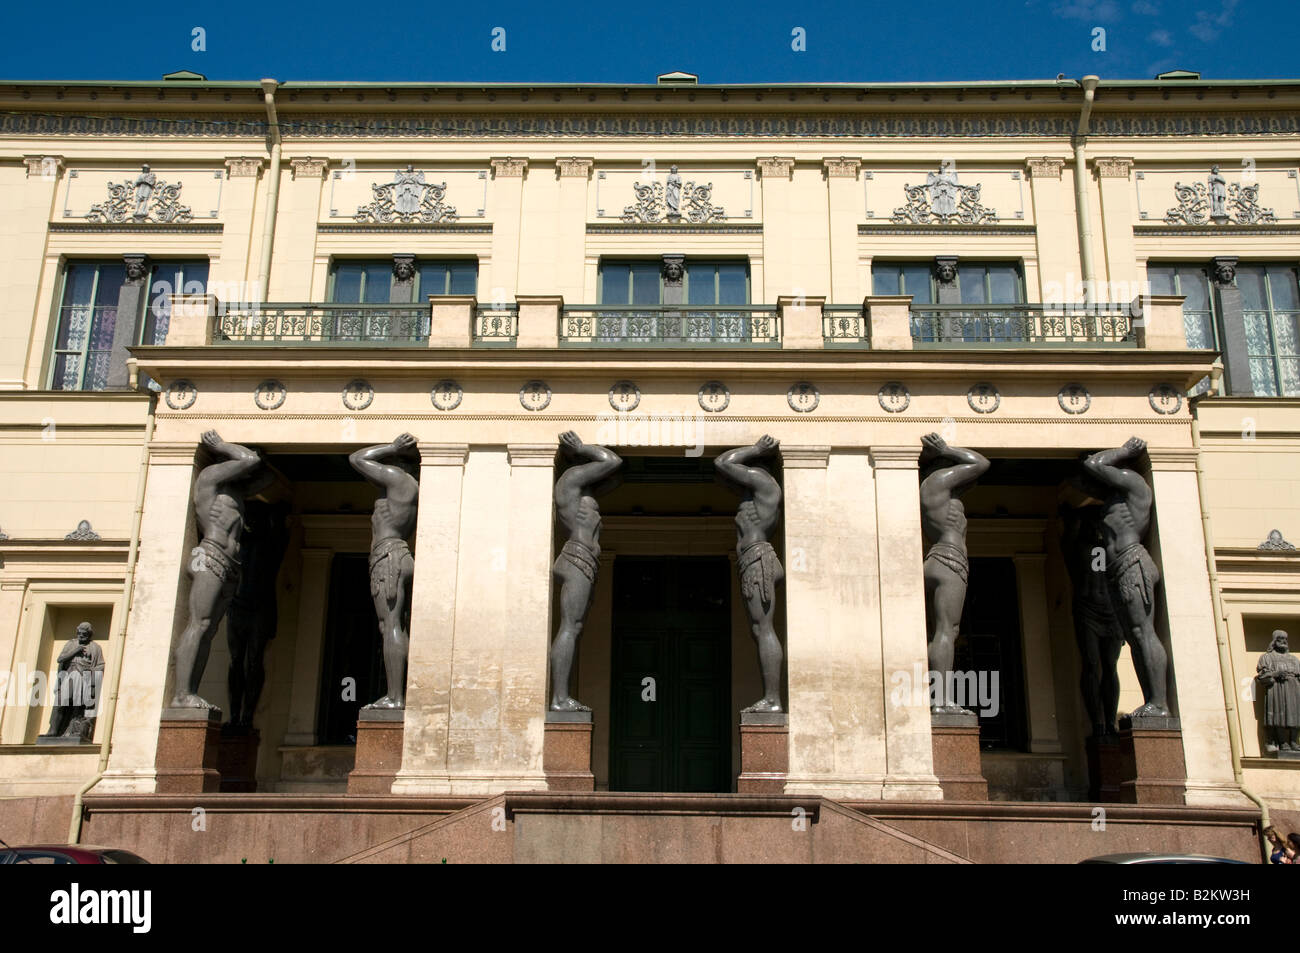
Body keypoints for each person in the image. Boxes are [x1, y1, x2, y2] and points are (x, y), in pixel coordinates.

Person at [171, 431, 270, 710]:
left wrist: (261, 455)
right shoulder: (210, 478)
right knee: (199, 623)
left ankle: (189, 693)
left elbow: (266, 477)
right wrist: (225, 445)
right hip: (211, 554)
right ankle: (181, 694)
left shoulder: (236, 492)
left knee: (209, 628)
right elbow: (249, 459)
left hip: (230, 563)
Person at [1082, 437, 1170, 720]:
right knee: (1135, 636)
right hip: (1119, 567)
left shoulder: (1135, 485)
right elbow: (1082, 476)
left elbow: (1093, 463)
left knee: (1144, 632)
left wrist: (1122, 450)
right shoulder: (1114, 497)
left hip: (1132, 562)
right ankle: (1153, 702)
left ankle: (1159, 702)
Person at [549, 431, 622, 712]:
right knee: (570, 625)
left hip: (585, 559)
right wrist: (584, 447)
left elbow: (614, 478)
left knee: (574, 626)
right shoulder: (570, 480)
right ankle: (559, 698)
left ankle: (561, 696)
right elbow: (611, 461)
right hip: (577, 557)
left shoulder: (583, 490)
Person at [349, 434, 420, 710]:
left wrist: (391, 447)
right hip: (399, 553)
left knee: (388, 624)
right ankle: (400, 693)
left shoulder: (395, 478)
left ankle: (395, 696)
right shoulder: (408, 485)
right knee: (396, 624)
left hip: (387, 555)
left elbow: (357, 458)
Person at [919, 433, 989, 711]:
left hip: (939, 557)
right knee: (947, 630)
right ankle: (942, 700)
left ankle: (939, 697)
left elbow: (973, 477)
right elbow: (981, 463)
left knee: (943, 629)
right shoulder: (937, 481)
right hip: (950, 558)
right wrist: (947, 448)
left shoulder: (937, 490)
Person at [715, 435, 785, 713]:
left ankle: (772, 699)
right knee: (759, 629)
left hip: (758, 559)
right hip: (752, 560)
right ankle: (771, 698)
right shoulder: (753, 493)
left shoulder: (764, 483)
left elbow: (723, 462)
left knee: (763, 628)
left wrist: (755, 449)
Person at [44, 622, 104, 739]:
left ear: (89, 635)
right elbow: (60, 659)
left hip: (84, 678)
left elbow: (101, 665)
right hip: (69, 676)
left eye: (84, 634)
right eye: (80, 634)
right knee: (60, 702)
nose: (81, 636)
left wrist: (90, 671)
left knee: (78, 706)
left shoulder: (95, 647)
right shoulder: (71, 644)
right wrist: (76, 650)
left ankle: (75, 731)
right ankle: (53, 730)